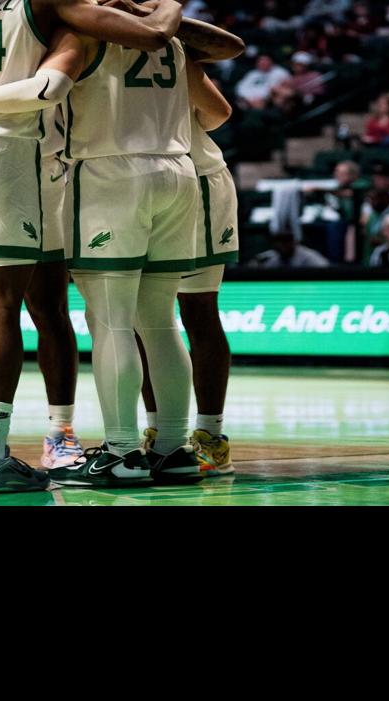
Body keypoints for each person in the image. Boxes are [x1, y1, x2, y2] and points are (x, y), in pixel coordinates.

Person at [0, 0, 197, 493]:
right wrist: (167, 10)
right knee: (142, 318)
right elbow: (213, 58)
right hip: (24, 150)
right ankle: (157, 446)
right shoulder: (59, 10)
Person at [139, 56, 241, 475]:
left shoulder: (171, 50)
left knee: (189, 311)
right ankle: (168, 434)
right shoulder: (168, 49)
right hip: (147, 177)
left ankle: (204, 434)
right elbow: (216, 114)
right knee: (152, 317)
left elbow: (218, 113)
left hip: (190, 175)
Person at [250, 231, 330, 268]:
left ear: (293, 242)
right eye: (279, 241)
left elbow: (326, 269)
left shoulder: (309, 256)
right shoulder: (272, 256)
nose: (282, 245)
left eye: (286, 241)